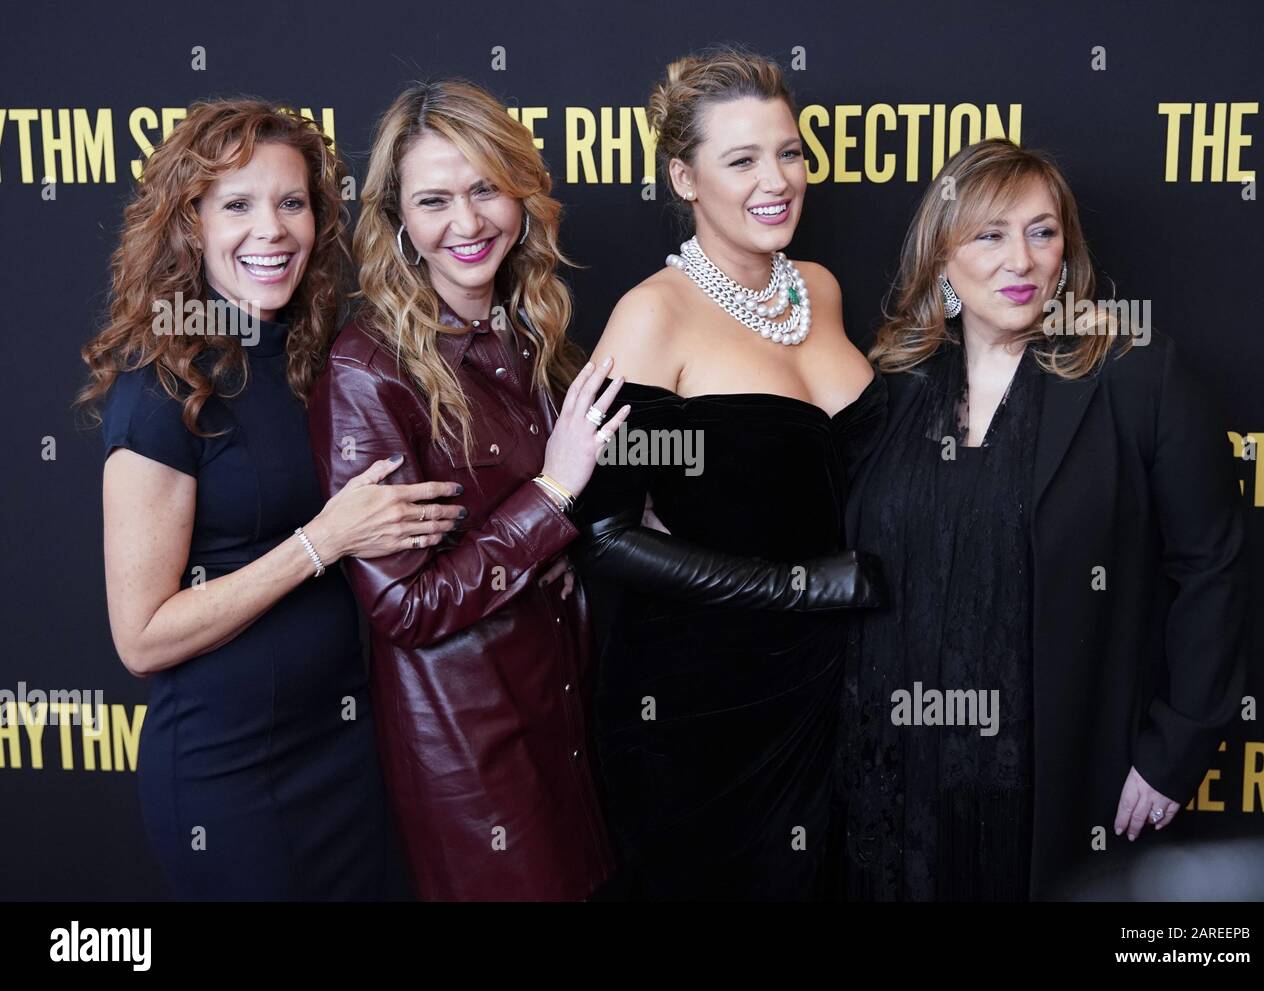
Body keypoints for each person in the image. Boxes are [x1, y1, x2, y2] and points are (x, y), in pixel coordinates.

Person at [836, 137, 1247, 900]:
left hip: (1060, 781)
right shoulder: (889, 383)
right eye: (989, 234)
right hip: (898, 784)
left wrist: (1175, 751)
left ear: (1067, 249)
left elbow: (1210, 566)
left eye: (1042, 231)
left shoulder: (1135, 373)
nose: (1019, 260)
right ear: (941, 256)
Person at [77, 99, 463, 900]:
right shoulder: (160, 388)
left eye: (292, 203)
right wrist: (320, 542)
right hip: (233, 780)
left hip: (351, 755)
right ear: (191, 225)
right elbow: (141, 637)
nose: (273, 230)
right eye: (238, 205)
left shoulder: (316, 355)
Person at [575, 47, 886, 900]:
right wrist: (797, 588)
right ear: (684, 178)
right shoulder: (653, 317)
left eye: (787, 151)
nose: (775, 179)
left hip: (834, 686)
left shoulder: (817, 288)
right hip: (698, 708)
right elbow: (599, 533)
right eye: (741, 159)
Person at [309, 80, 627, 901]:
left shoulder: (529, 325)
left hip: (562, 713)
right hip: (470, 749)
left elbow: (549, 522)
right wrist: (552, 492)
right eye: (435, 199)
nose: (468, 221)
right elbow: (406, 608)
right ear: (399, 219)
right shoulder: (368, 370)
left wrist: (575, 524)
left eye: (486, 187)